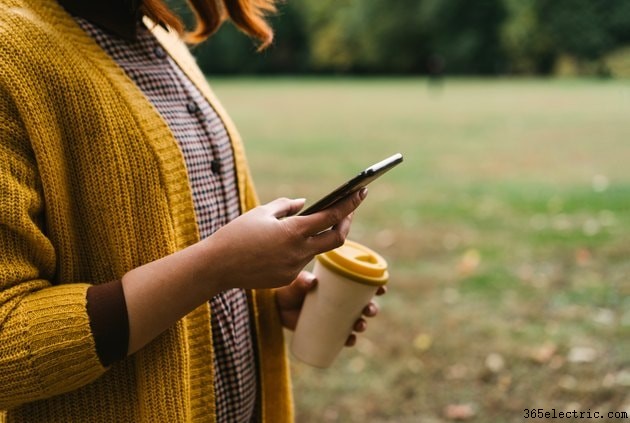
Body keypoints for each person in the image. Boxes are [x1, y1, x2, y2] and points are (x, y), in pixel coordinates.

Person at [0, 0, 386, 422]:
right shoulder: (9, 51)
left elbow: (180, 245)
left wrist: (260, 298)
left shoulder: (161, 36)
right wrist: (214, 267)